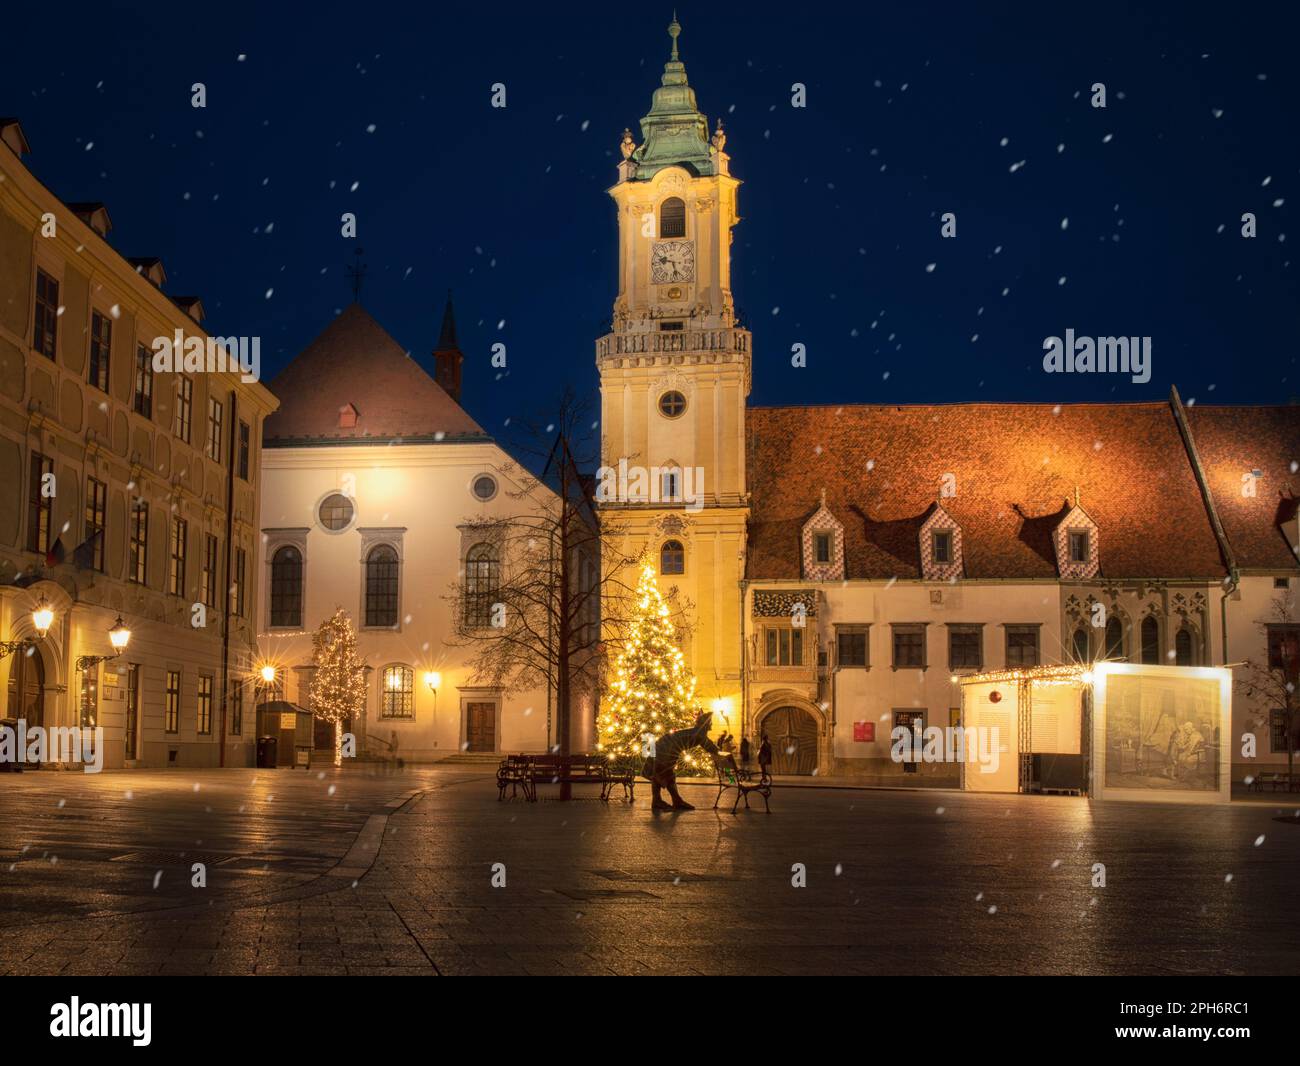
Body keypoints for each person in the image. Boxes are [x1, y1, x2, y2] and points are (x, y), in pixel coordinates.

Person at [642, 711, 719, 811]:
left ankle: (664, 801)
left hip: (664, 745)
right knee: (663, 774)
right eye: (710, 722)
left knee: (661, 774)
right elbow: (709, 746)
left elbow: (707, 743)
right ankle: (667, 801)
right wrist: (720, 751)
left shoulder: (697, 732)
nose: (711, 725)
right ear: (706, 724)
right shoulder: (700, 734)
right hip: (666, 749)